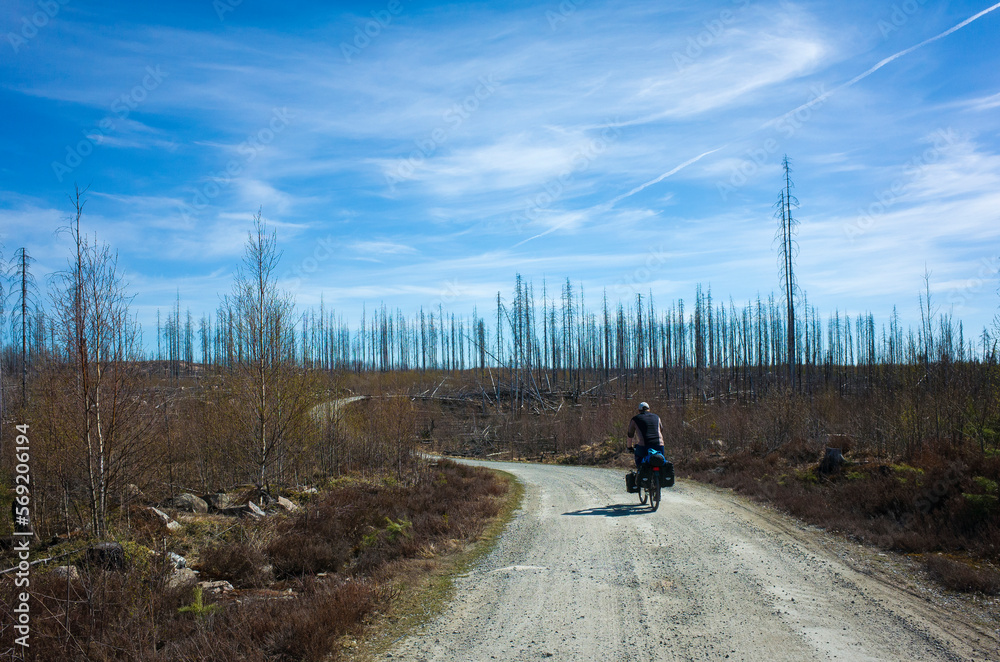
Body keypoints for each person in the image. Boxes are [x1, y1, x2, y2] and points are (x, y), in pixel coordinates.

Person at [626, 401, 665, 470]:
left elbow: (630, 435)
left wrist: (629, 447)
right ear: (649, 409)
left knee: (639, 457)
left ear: (639, 411)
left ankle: (640, 471)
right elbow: (661, 430)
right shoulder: (657, 417)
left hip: (644, 446)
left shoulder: (635, 419)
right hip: (659, 445)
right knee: (660, 461)